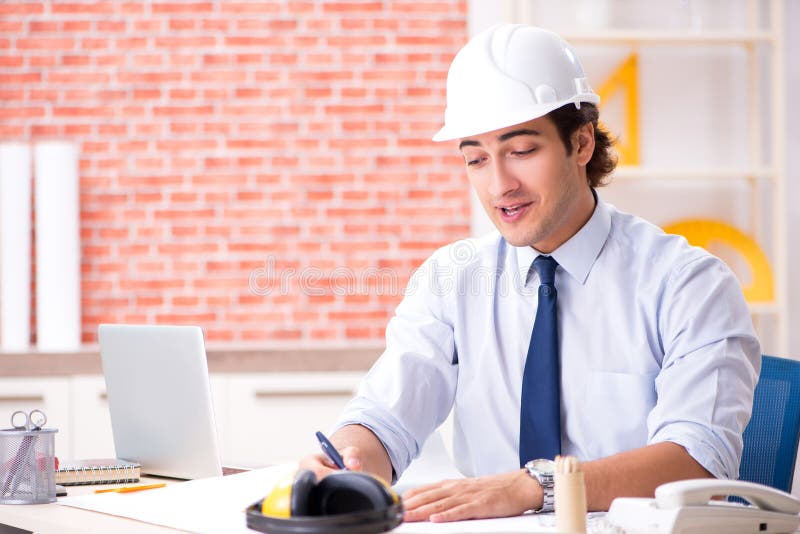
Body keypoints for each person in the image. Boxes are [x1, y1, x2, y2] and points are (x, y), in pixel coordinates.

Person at [299, 24, 760, 522]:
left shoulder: (689, 284)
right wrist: (347, 462)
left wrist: (534, 486)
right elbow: (385, 417)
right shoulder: (451, 280)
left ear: (581, 144)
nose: (500, 185)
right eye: (476, 159)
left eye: (521, 151)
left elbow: (698, 460)